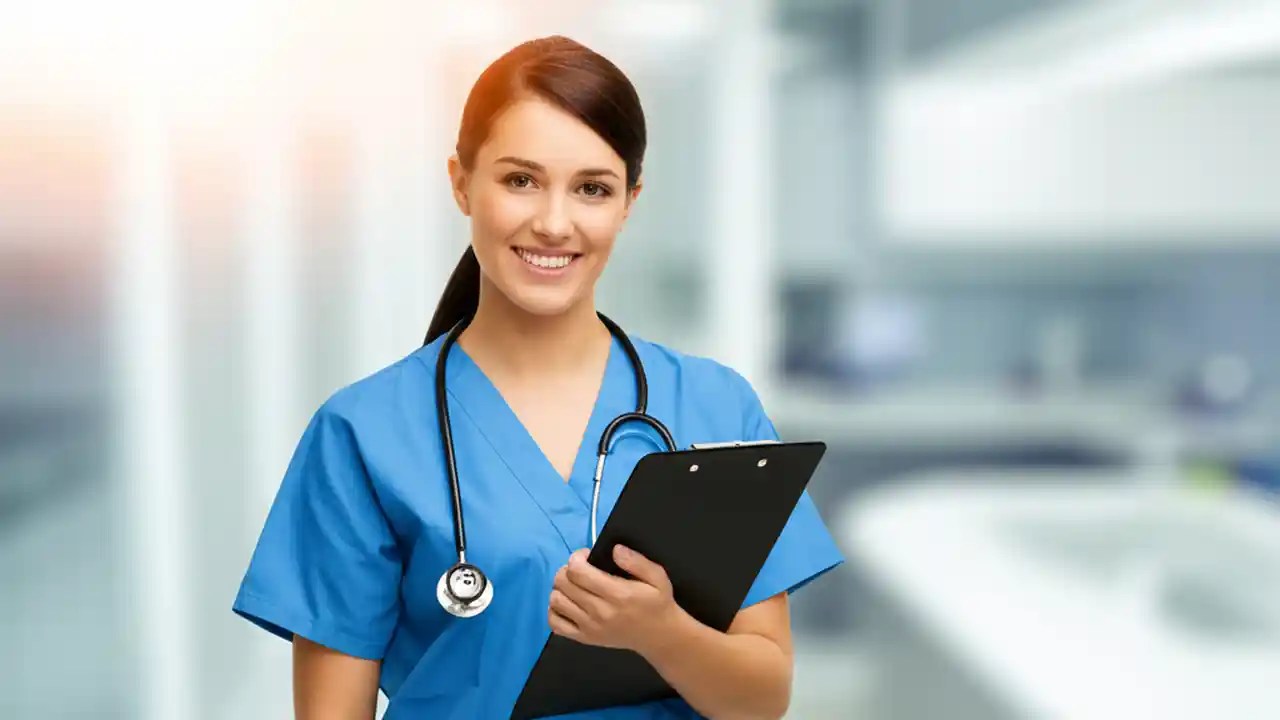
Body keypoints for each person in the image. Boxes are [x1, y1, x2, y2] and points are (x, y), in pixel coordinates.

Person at [232, 35, 843, 719]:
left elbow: (762, 700)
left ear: (628, 202)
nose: (554, 223)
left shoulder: (713, 406)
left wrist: (661, 633)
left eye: (591, 189)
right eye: (520, 180)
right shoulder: (363, 435)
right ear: (461, 182)